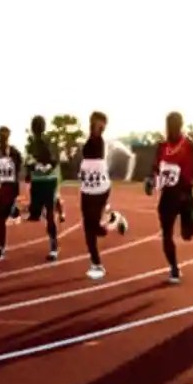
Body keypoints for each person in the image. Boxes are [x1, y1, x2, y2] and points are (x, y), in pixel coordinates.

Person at [146, 112, 193, 284]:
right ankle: (174, 268)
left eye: (175, 125)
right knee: (166, 234)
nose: (172, 129)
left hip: (185, 195)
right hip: (168, 196)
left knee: (187, 235)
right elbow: (155, 167)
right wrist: (150, 180)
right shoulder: (161, 147)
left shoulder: (188, 144)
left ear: (180, 126)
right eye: (169, 125)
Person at [78, 111, 132, 280]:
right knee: (88, 229)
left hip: (100, 189)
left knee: (97, 229)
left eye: (102, 126)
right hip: (87, 188)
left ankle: (116, 220)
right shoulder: (88, 141)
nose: (100, 128)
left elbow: (97, 150)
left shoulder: (100, 142)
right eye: (97, 124)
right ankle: (96, 264)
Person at [25, 115, 61, 261]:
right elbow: (28, 161)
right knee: (35, 213)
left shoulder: (47, 142)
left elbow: (54, 159)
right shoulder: (31, 144)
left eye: (38, 126)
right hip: (37, 182)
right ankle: (45, 211)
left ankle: (53, 247)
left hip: (48, 181)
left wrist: (46, 166)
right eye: (35, 126)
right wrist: (31, 168)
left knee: (50, 214)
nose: (36, 129)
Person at [0, 126, 24, 258]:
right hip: (0, 188)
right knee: (0, 218)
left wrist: (14, 174)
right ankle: (0, 246)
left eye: (4, 137)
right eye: (0, 136)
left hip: (11, 188)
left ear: (8, 137)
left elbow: (19, 165)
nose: (2, 139)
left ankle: (14, 209)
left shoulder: (14, 152)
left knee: (5, 213)